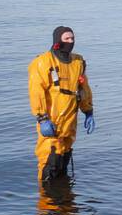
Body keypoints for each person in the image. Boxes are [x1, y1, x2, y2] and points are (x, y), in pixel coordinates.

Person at [27, 26, 94, 184]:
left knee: (64, 159)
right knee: (49, 162)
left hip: (69, 122)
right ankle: (46, 202)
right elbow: (36, 92)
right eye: (66, 39)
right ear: (58, 41)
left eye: (72, 39)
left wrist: (88, 110)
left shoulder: (77, 62)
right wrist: (42, 118)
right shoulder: (42, 63)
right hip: (52, 121)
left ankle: (65, 203)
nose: (70, 42)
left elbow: (83, 88)